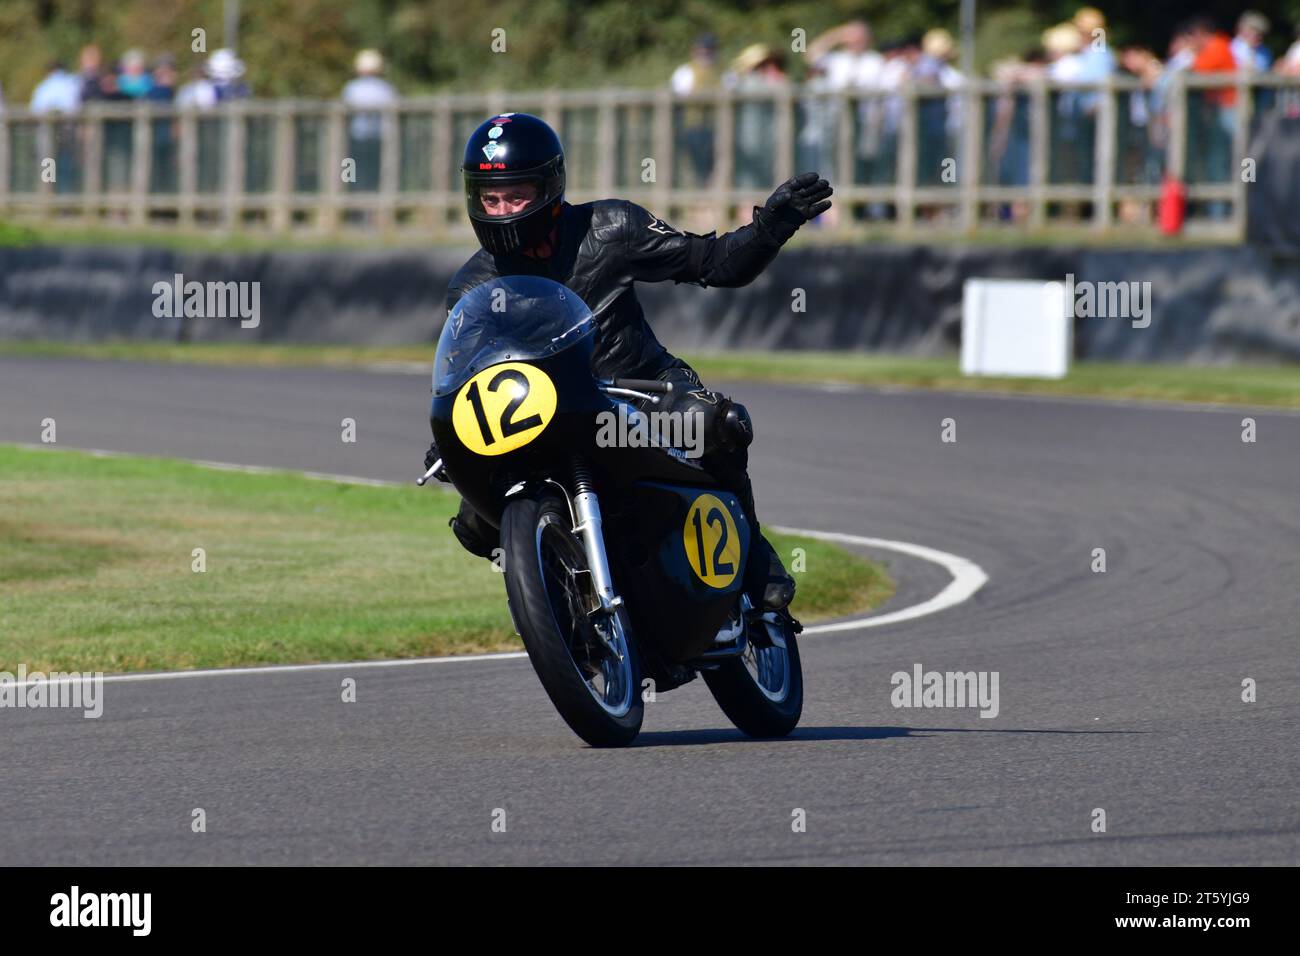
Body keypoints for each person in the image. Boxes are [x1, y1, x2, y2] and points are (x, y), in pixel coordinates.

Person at [425, 113, 832, 614]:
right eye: (491, 198)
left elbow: (711, 263)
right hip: (550, 418)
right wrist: (452, 439)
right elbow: (469, 377)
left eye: (517, 195)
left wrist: (771, 227)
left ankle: (753, 557)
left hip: (640, 392)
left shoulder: (611, 228)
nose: (503, 210)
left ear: (550, 188)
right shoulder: (472, 287)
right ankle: (560, 594)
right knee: (473, 522)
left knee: (713, 425)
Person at [342, 49, 397, 192]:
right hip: (379, 139)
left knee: (354, 172)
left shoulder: (351, 88)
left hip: (356, 139)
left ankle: (355, 201)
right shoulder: (386, 89)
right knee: (376, 174)